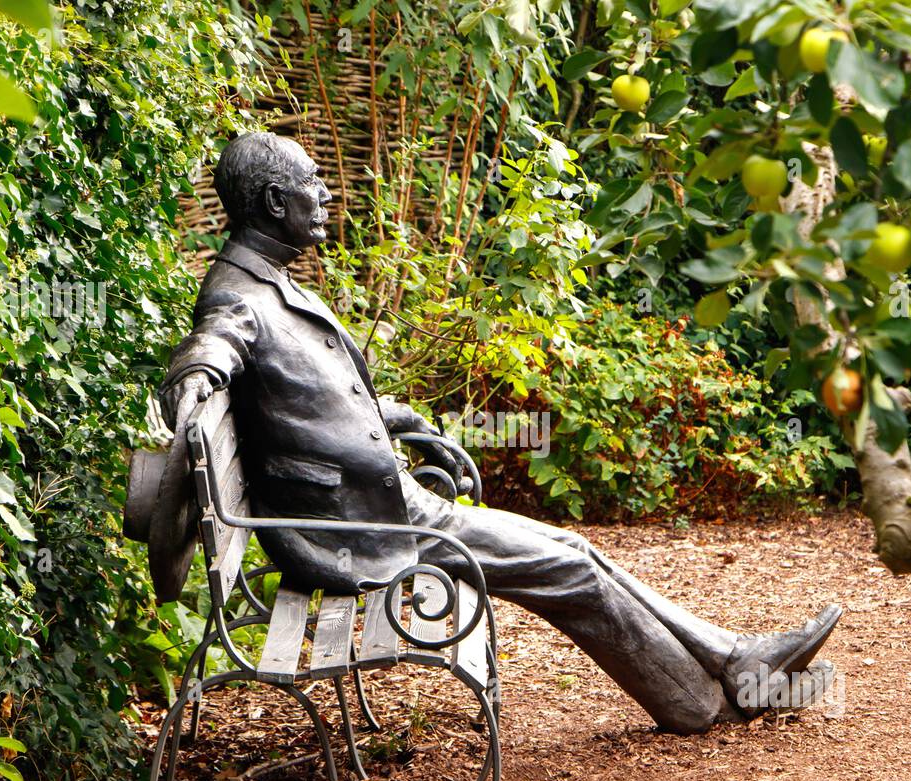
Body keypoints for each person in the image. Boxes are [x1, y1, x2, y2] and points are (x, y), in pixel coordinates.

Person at [158, 133, 841, 733]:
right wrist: (192, 378)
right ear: (276, 202)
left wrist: (403, 419)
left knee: (572, 548)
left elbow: (308, 400)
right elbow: (214, 343)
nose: (328, 191)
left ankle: (731, 664)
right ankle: (700, 698)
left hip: (381, 508)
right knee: (568, 563)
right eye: (314, 181)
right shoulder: (238, 293)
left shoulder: (267, 276)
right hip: (356, 535)